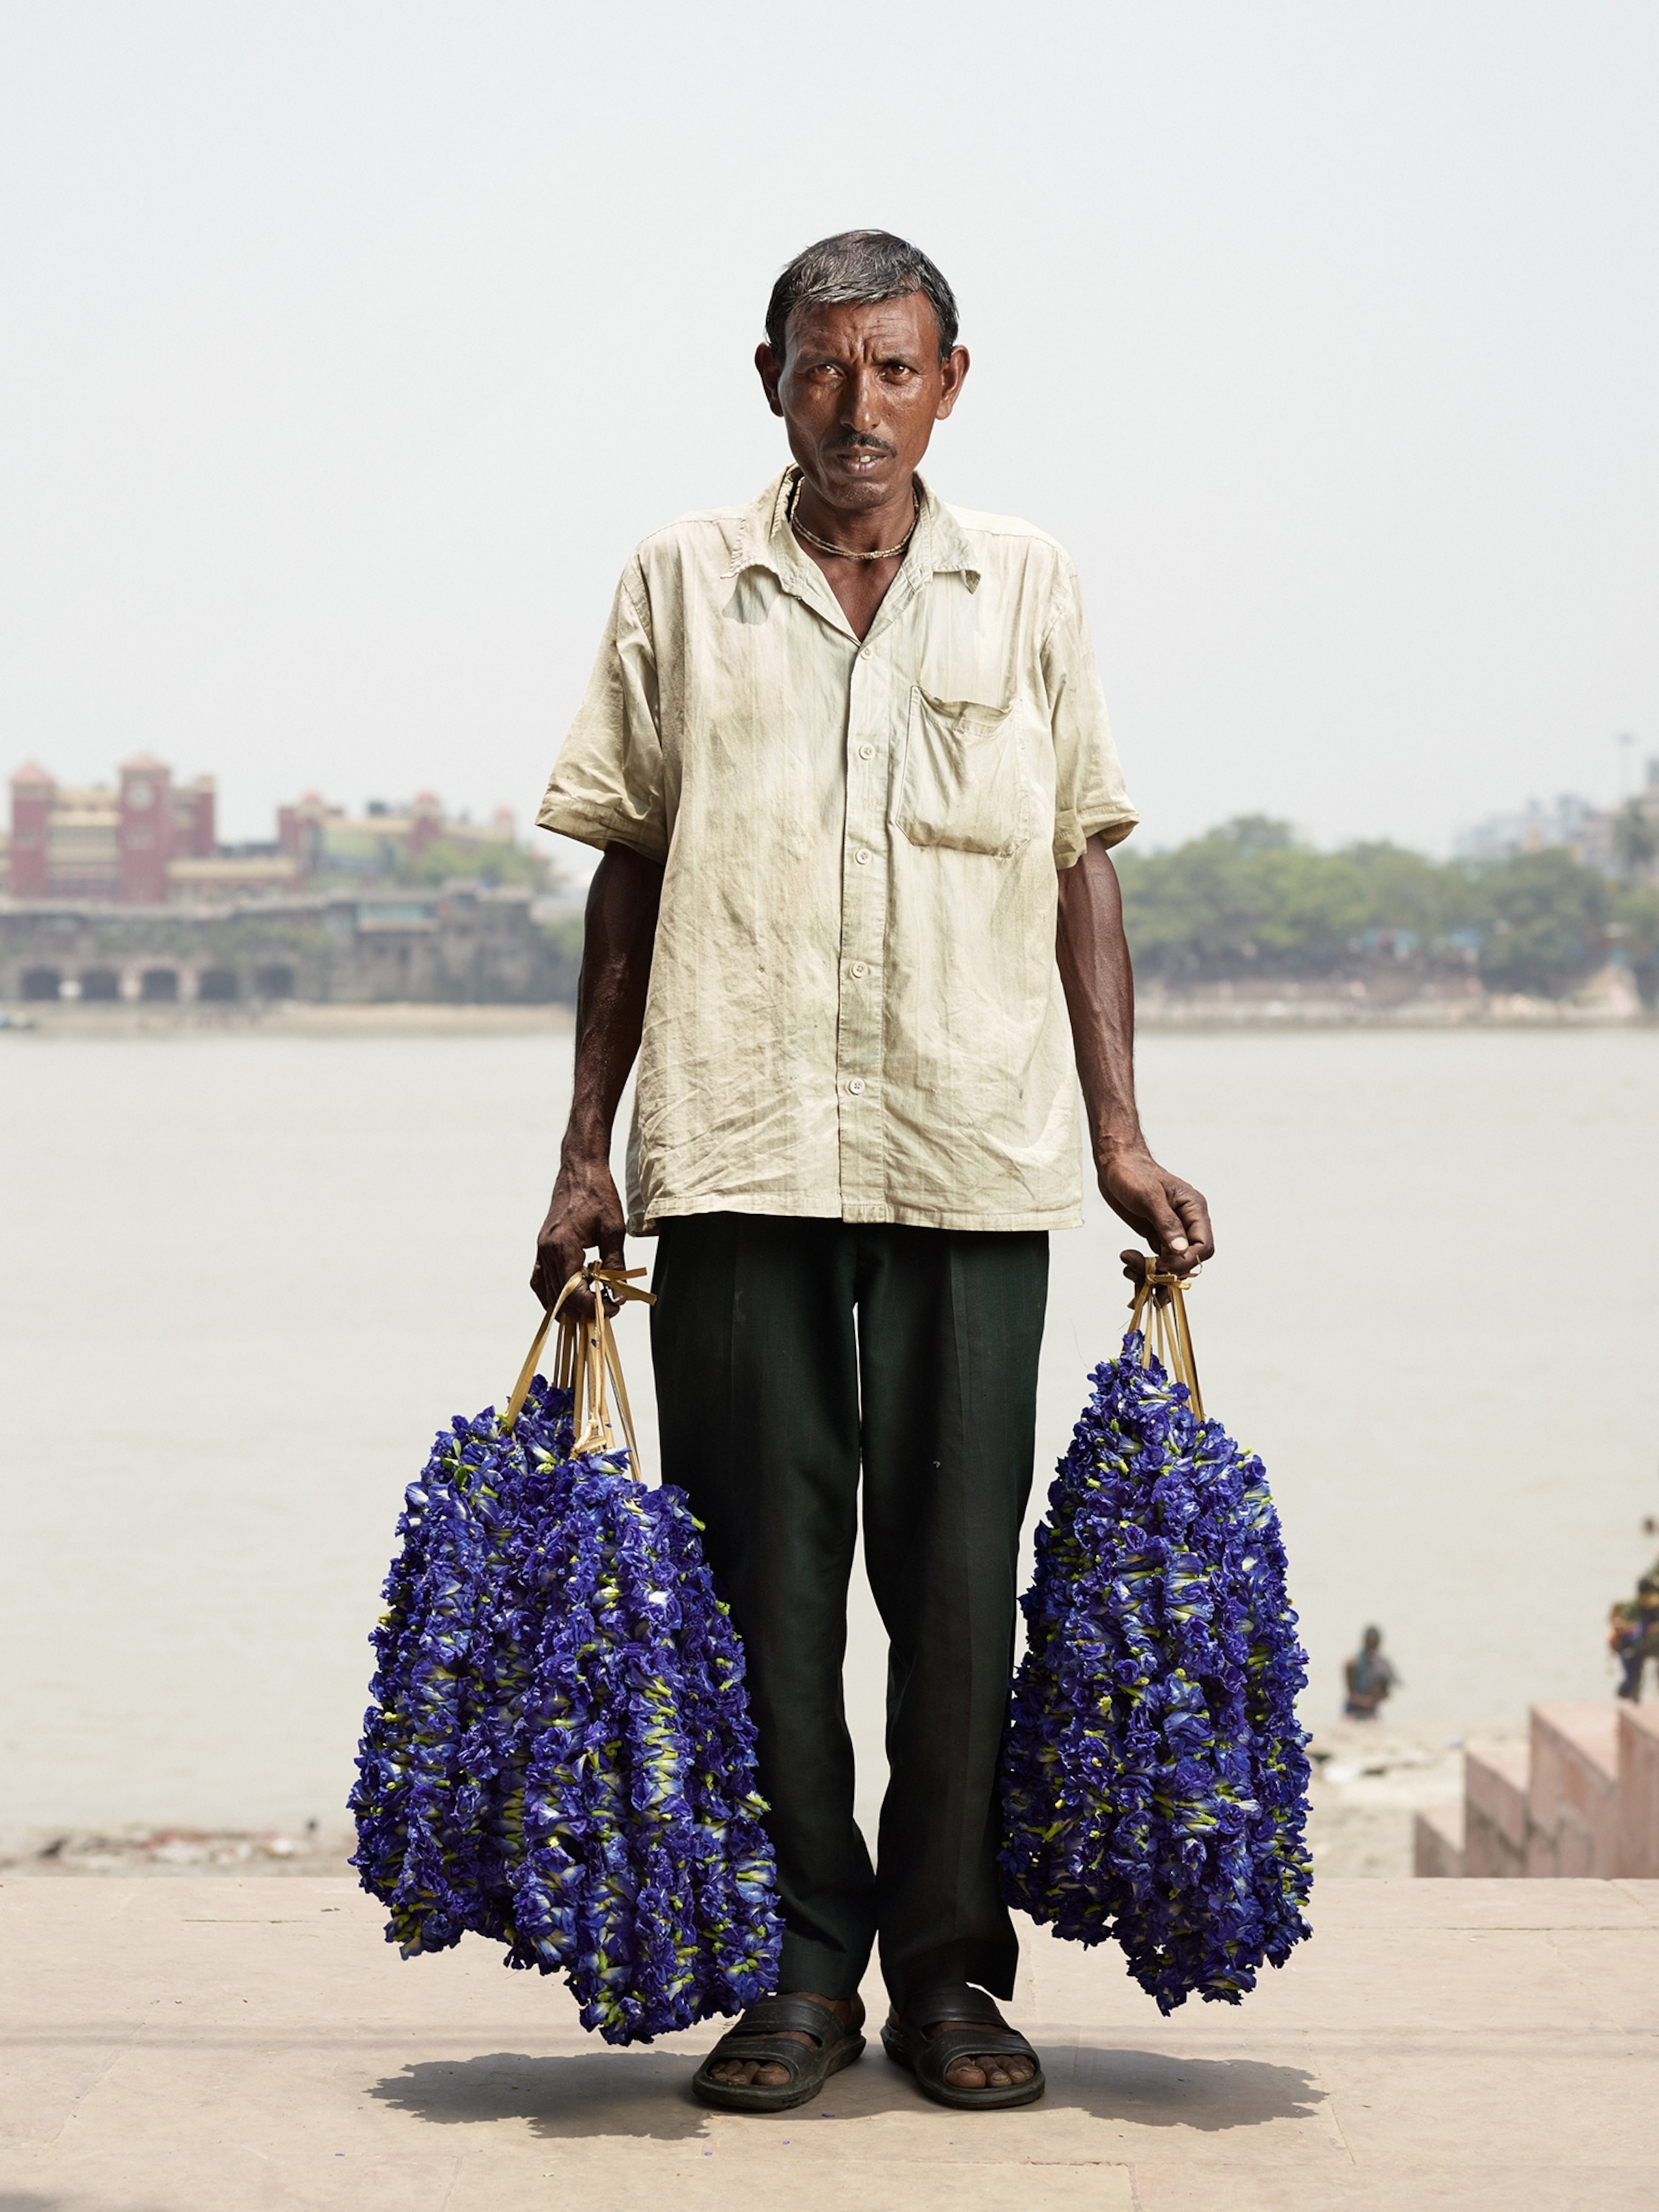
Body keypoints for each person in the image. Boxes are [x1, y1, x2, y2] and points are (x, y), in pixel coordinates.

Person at [531, 230, 1213, 2116]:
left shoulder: (1031, 587)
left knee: (952, 1579)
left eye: (895, 371)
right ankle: (798, 1971)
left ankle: (951, 1975)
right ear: (771, 379)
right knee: (766, 1580)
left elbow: (1081, 862)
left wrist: (1123, 1134)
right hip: (740, 1153)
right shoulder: (684, 580)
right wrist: (585, 1149)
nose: (859, 410)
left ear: (951, 382)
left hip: (972, 1154)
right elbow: (628, 867)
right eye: (825, 372)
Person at [1343, 1626, 1398, 1719]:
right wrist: (1365, 1700)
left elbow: (1387, 1693)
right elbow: (1350, 1695)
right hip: (1353, 1709)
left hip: (1372, 1710)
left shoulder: (1382, 1666)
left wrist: (1376, 1698)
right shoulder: (1353, 1664)